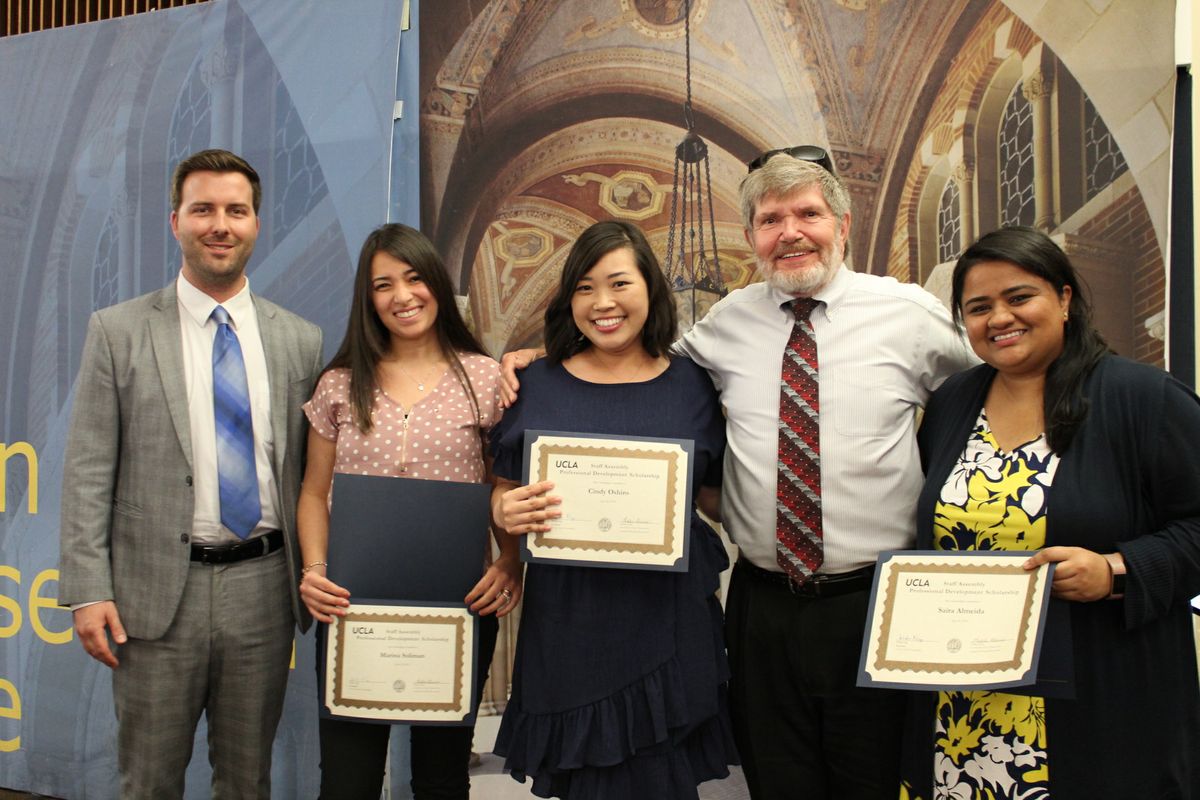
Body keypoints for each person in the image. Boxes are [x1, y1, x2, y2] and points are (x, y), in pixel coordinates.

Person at [58, 149, 323, 798]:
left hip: (262, 589)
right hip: (153, 601)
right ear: (174, 220)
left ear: (258, 224)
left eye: (236, 210)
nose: (220, 224)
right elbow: (89, 468)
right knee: (148, 781)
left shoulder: (300, 341)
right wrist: (88, 589)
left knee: (247, 780)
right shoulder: (117, 332)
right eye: (203, 209)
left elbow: (313, 476)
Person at [900, 226, 1200, 800]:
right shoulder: (953, 403)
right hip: (966, 706)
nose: (1000, 319)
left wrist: (1118, 570)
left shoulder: (1143, 398)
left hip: (1098, 698)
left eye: (1019, 298)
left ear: (1063, 299)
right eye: (979, 307)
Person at [491, 220, 738, 799]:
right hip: (571, 624)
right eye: (583, 287)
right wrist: (505, 516)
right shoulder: (534, 383)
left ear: (650, 289)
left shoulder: (695, 384)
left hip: (668, 622)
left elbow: (716, 498)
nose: (602, 303)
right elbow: (502, 489)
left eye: (618, 283)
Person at [296, 223, 522, 800]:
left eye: (415, 278)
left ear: (437, 286)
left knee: (443, 782)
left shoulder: (486, 380)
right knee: (347, 782)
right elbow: (314, 494)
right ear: (367, 299)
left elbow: (502, 488)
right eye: (383, 284)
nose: (402, 296)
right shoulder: (340, 384)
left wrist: (510, 562)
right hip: (353, 611)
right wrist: (314, 572)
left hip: (457, 609)